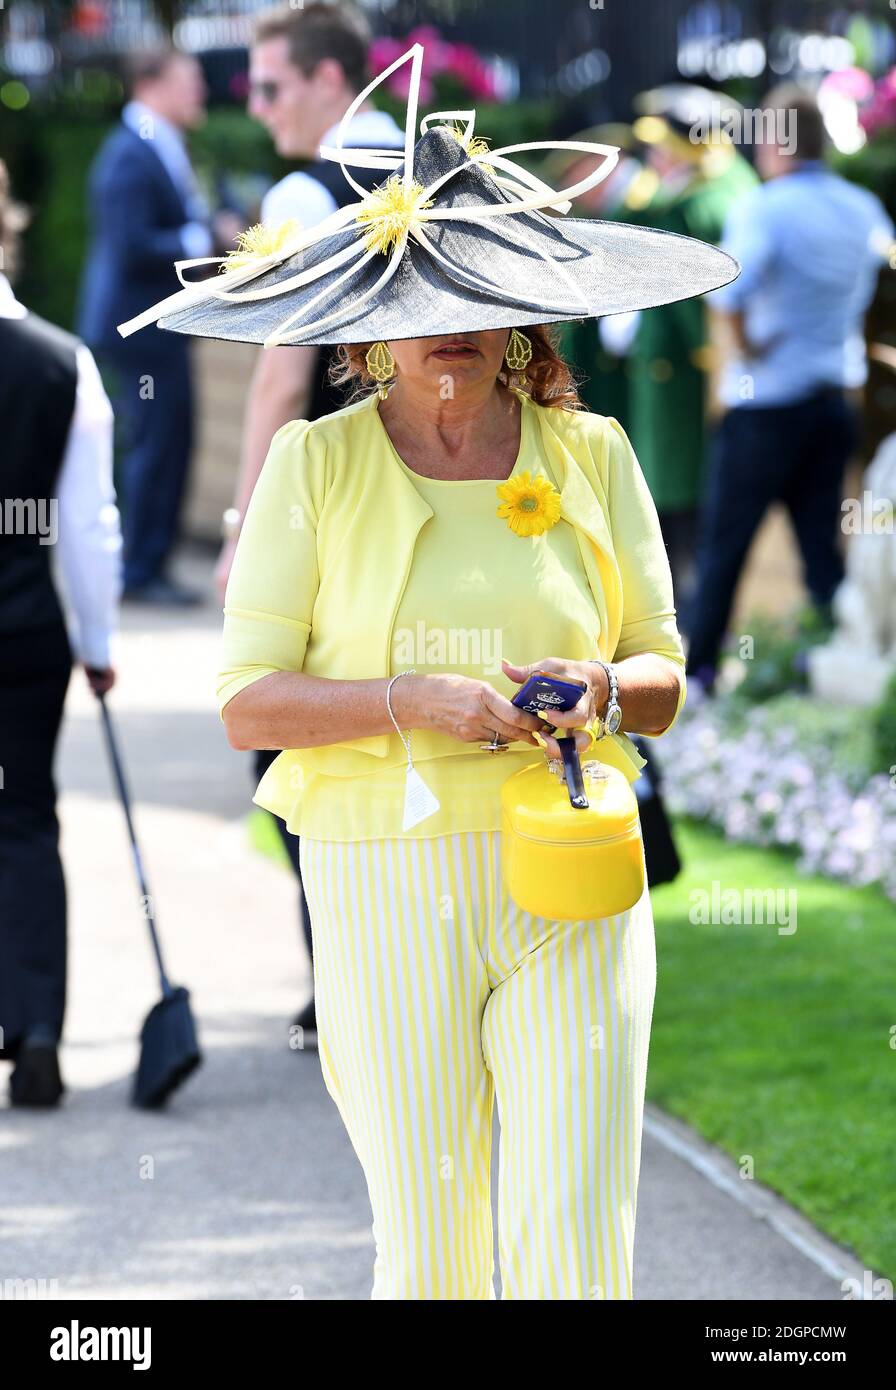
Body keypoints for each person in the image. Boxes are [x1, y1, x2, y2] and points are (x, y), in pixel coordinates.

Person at [118, 48, 736, 1298]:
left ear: (519, 305)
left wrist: (607, 690)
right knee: (433, 1228)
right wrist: (411, 701)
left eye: (470, 290)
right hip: (384, 875)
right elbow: (246, 697)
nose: (441, 326)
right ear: (365, 319)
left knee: (573, 1220)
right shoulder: (313, 464)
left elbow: (666, 670)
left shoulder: (593, 453)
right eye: (409, 296)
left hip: (573, 871)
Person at [218, 2, 404, 1045]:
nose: (257, 106)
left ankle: (346, 975)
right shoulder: (436, 175)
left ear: (332, 82)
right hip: (444, 491)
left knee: (298, 742)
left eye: (271, 85)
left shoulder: (302, 192)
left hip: (332, 508)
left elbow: (278, 379)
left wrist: (245, 526)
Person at [686, 84, 895, 689]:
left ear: (778, 141)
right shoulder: (864, 207)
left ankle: (699, 677)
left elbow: (725, 289)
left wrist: (747, 344)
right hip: (834, 403)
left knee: (725, 546)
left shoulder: (765, 206)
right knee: (823, 552)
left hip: (764, 405)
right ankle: (833, 659)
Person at [0, 161, 122, 1106]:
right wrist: (97, 640)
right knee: (26, 819)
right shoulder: (59, 359)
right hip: (26, 634)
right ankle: (36, 1023)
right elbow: (86, 522)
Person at [77, 46, 237, 605]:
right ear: (150, 83)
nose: (200, 91)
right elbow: (132, 244)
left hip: (157, 326)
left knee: (167, 439)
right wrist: (205, 239)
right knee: (155, 442)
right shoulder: (130, 150)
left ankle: (148, 565)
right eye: (188, 80)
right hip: (136, 327)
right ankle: (139, 572)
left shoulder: (161, 143)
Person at [626, 85, 758, 609]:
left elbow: (698, 301)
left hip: (688, 373)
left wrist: (714, 358)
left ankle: (692, 615)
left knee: (685, 500)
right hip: (679, 370)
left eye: (668, 145)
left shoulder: (699, 202)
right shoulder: (709, 190)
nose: (656, 157)